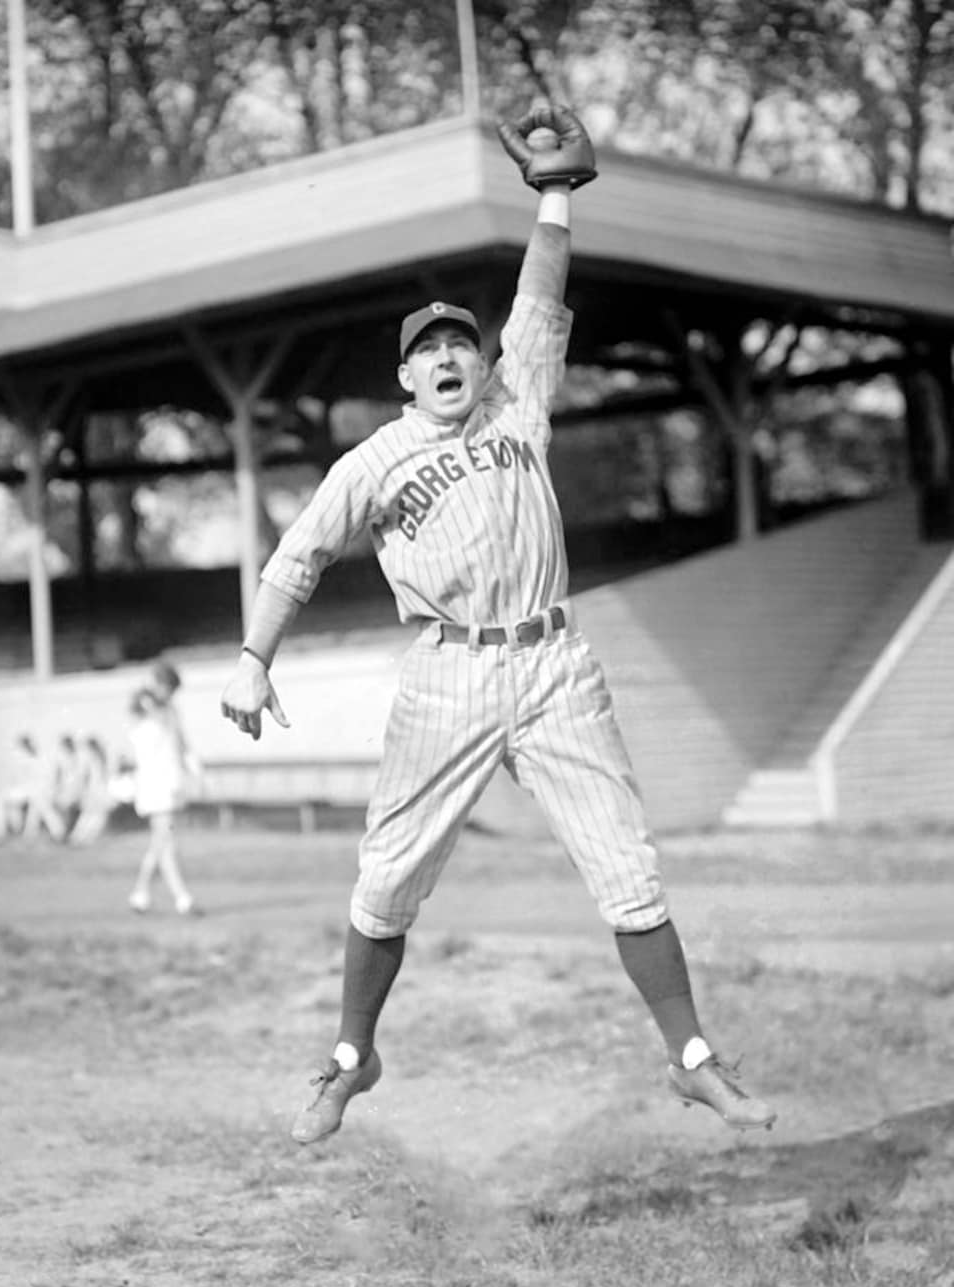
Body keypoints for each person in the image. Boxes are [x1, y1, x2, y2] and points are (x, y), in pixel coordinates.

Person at [219, 104, 776, 1146]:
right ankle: (350, 1056)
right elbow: (293, 558)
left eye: (459, 344)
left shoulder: (519, 405)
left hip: (555, 662)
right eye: (427, 348)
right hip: (447, 677)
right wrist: (254, 658)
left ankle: (694, 1059)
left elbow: (536, 299)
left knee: (629, 869)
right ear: (403, 375)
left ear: (481, 364)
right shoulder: (374, 463)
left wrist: (556, 197)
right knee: (385, 880)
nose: (447, 355)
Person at [126, 685, 199, 916]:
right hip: (157, 792)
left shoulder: (162, 724)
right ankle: (151, 893)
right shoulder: (145, 729)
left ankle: (169, 897)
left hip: (164, 791)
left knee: (164, 845)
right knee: (163, 843)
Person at [68, 735, 115, 846]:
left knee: (89, 815)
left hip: (92, 790)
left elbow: (83, 776)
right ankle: (84, 837)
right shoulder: (102, 757)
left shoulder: (89, 758)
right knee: (97, 816)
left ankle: (78, 837)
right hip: (101, 790)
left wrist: (79, 790)